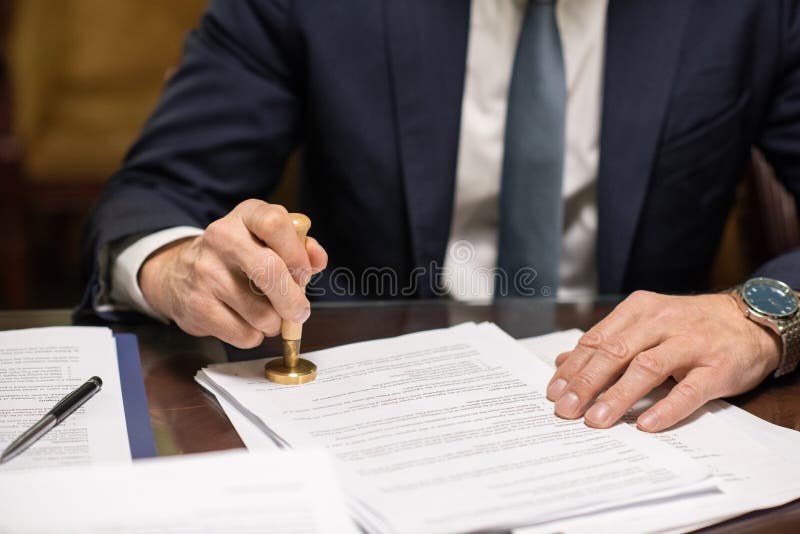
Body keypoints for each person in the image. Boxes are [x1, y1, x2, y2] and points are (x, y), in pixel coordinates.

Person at [82, 0, 800, 433]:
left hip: (636, 413)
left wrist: (759, 318)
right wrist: (177, 266)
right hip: (363, 404)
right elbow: (161, 189)